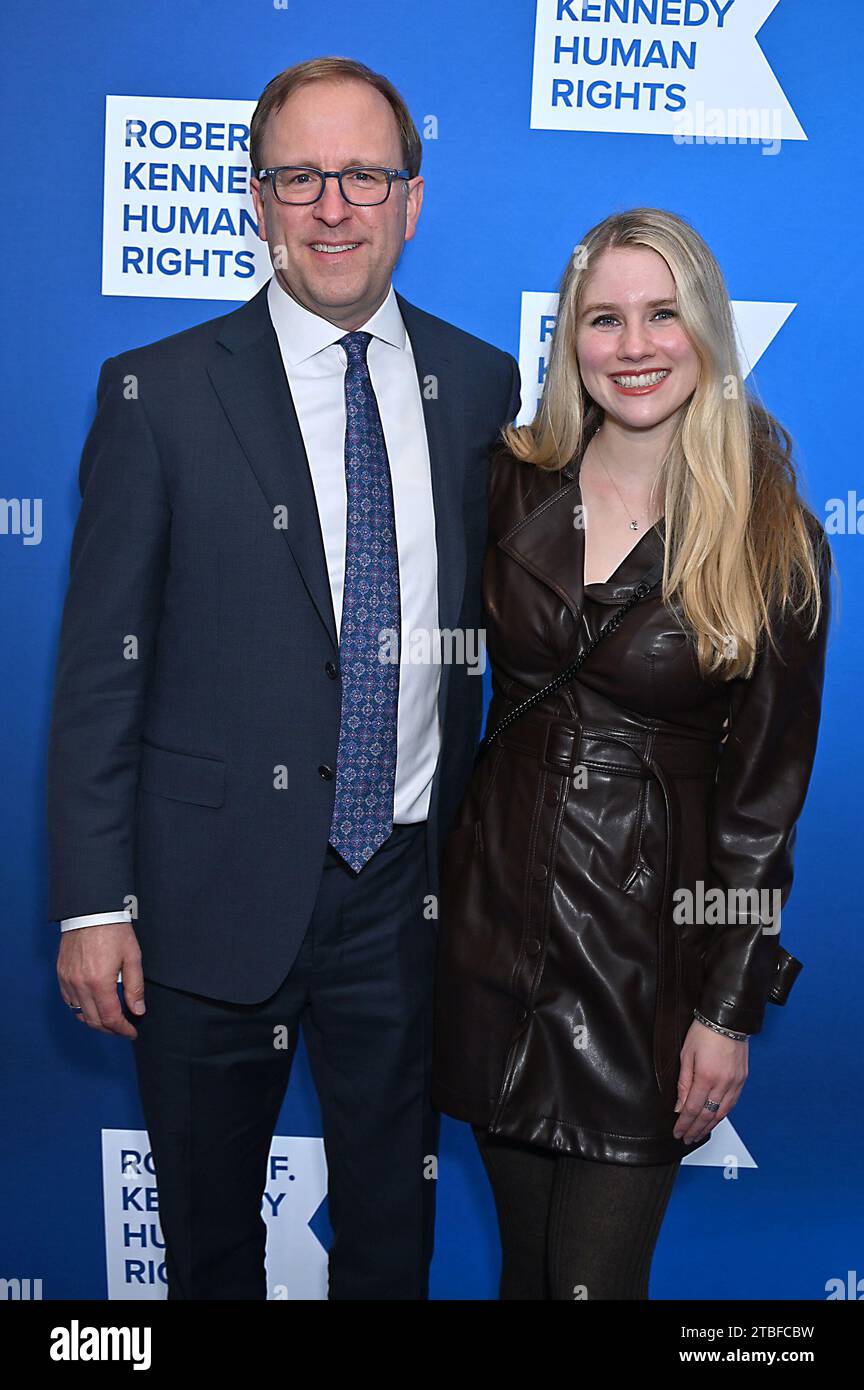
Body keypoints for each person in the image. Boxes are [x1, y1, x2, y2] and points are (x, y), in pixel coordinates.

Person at [47, 56, 519, 1300]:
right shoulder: (156, 392)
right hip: (204, 895)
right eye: (299, 176)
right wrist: (94, 903)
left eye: (363, 174)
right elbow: (102, 667)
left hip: (404, 890)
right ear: (255, 200)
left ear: (411, 199)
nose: (333, 206)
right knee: (208, 1249)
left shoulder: (479, 388)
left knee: (389, 1242)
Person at [430, 207, 833, 1300]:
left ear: (706, 329)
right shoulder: (507, 481)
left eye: (663, 314)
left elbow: (762, 807)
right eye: (603, 319)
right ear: (570, 342)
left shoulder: (773, 539)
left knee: (594, 1287)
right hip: (493, 936)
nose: (635, 344)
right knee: (525, 1275)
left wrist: (729, 1008)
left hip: (646, 967)